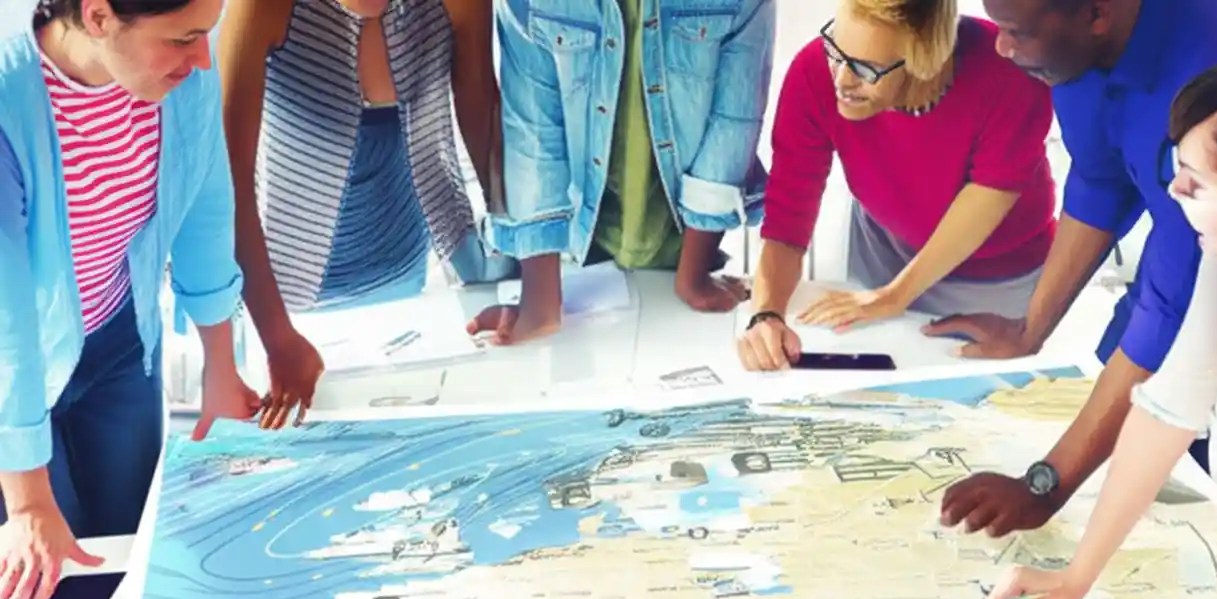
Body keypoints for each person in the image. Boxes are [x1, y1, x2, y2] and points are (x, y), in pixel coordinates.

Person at [980, 53, 1217, 599]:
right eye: (1177, 164)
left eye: (1197, 181)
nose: (1172, 191)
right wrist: (1075, 577)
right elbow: (1171, 402)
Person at [932, 0, 1217, 539]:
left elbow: (1174, 300)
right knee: (1145, 434)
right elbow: (1099, 181)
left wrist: (1042, 485)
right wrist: (1031, 328)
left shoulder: (1211, 92)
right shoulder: (1072, 50)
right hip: (1205, 264)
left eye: (1014, 31)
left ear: (1095, 16)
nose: (1000, 48)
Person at [0, 0, 261, 599]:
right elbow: (7, 319)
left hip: (119, 342)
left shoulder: (181, 72)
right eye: (182, 38)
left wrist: (221, 368)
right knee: (36, 593)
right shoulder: (5, 95)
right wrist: (25, 502)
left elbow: (208, 205)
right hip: (10, 378)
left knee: (143, 558)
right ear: (98, 15)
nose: (204, 58)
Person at [216, 0, 517, 429]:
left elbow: (482, 111)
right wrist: (278, 337)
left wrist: (522, 258)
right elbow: (227, 187)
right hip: (280, 287)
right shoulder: (259, 7)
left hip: (410, 262)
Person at [737, 0, 1057, 372]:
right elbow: (787, 211)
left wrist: (895, 296)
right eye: (836, 49)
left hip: (999, 279)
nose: (841, 80)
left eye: (866, 68)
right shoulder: (814, 71)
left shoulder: (1010, 75)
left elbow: (989, 195)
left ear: (925, 60)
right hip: (881, 257)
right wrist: (766, 313)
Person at [468, 0, 775, 346]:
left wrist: (693, 275)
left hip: (684, 241)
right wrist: (540, 299)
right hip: (578, 250)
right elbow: (533, 133)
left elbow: (733, 123)